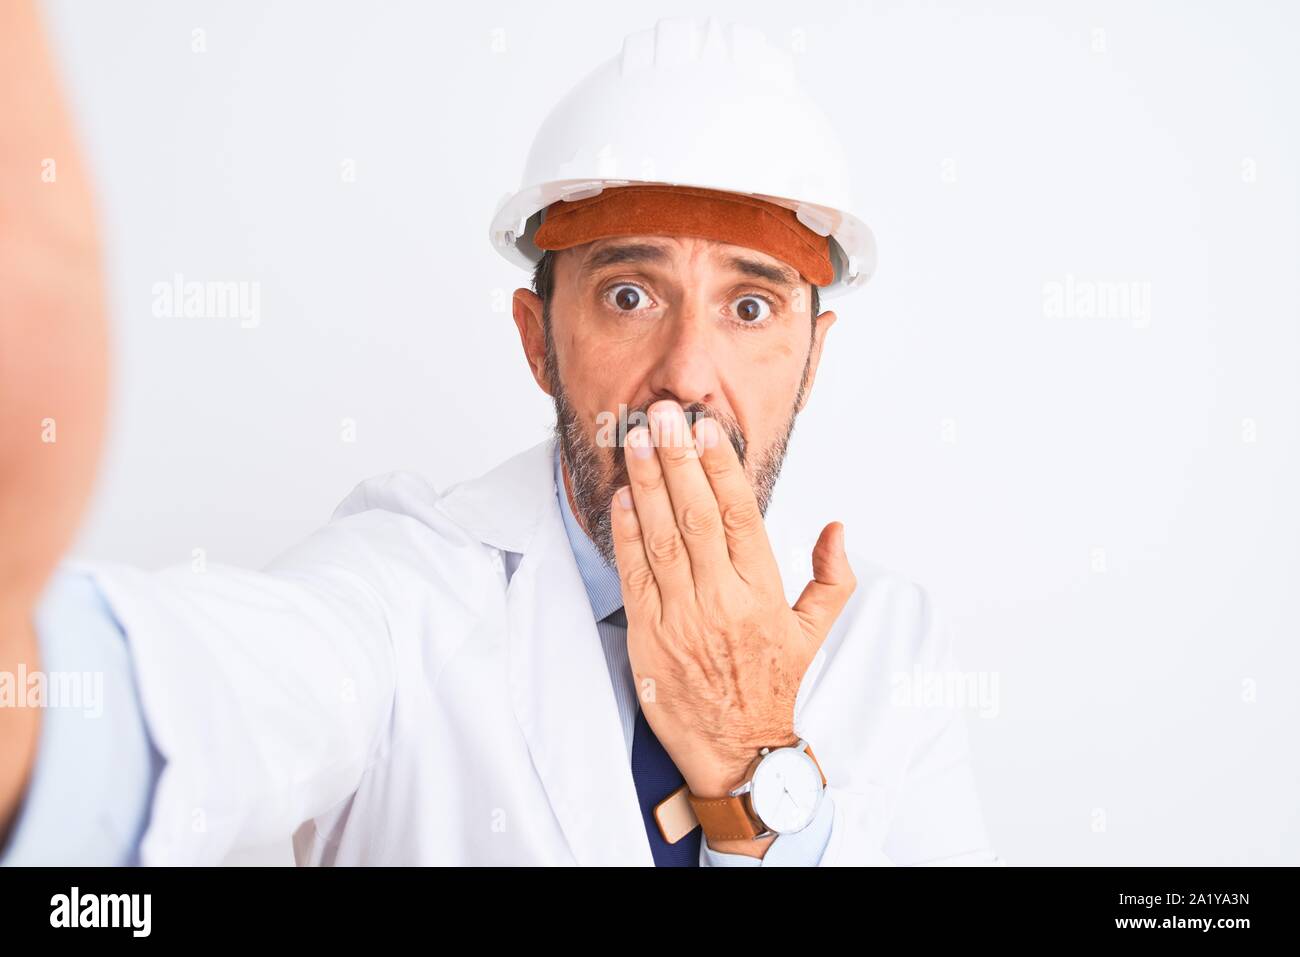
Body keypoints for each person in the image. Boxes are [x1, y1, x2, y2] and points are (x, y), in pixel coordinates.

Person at [0, 13, 1001, 866]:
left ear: (812, 360)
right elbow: (224, 690)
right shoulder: (405, 591)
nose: (686, 375)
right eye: (627, 293)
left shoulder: (892, 647)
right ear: (538, 343)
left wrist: (753, 763)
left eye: (749, 307)